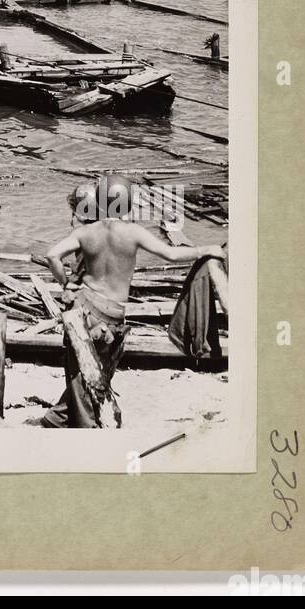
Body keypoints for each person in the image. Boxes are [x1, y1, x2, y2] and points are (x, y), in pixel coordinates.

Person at [41, 173, 225, 428]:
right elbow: (171, 254)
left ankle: (58, 417)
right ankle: (83, 428)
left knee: (82, 371)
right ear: (127, 203)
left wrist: (65, 283)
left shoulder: (85, 232)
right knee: (94, 372)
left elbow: (52, 256)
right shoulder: (134, 232)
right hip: (113, 314)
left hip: (84, 307)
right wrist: (206, 250)